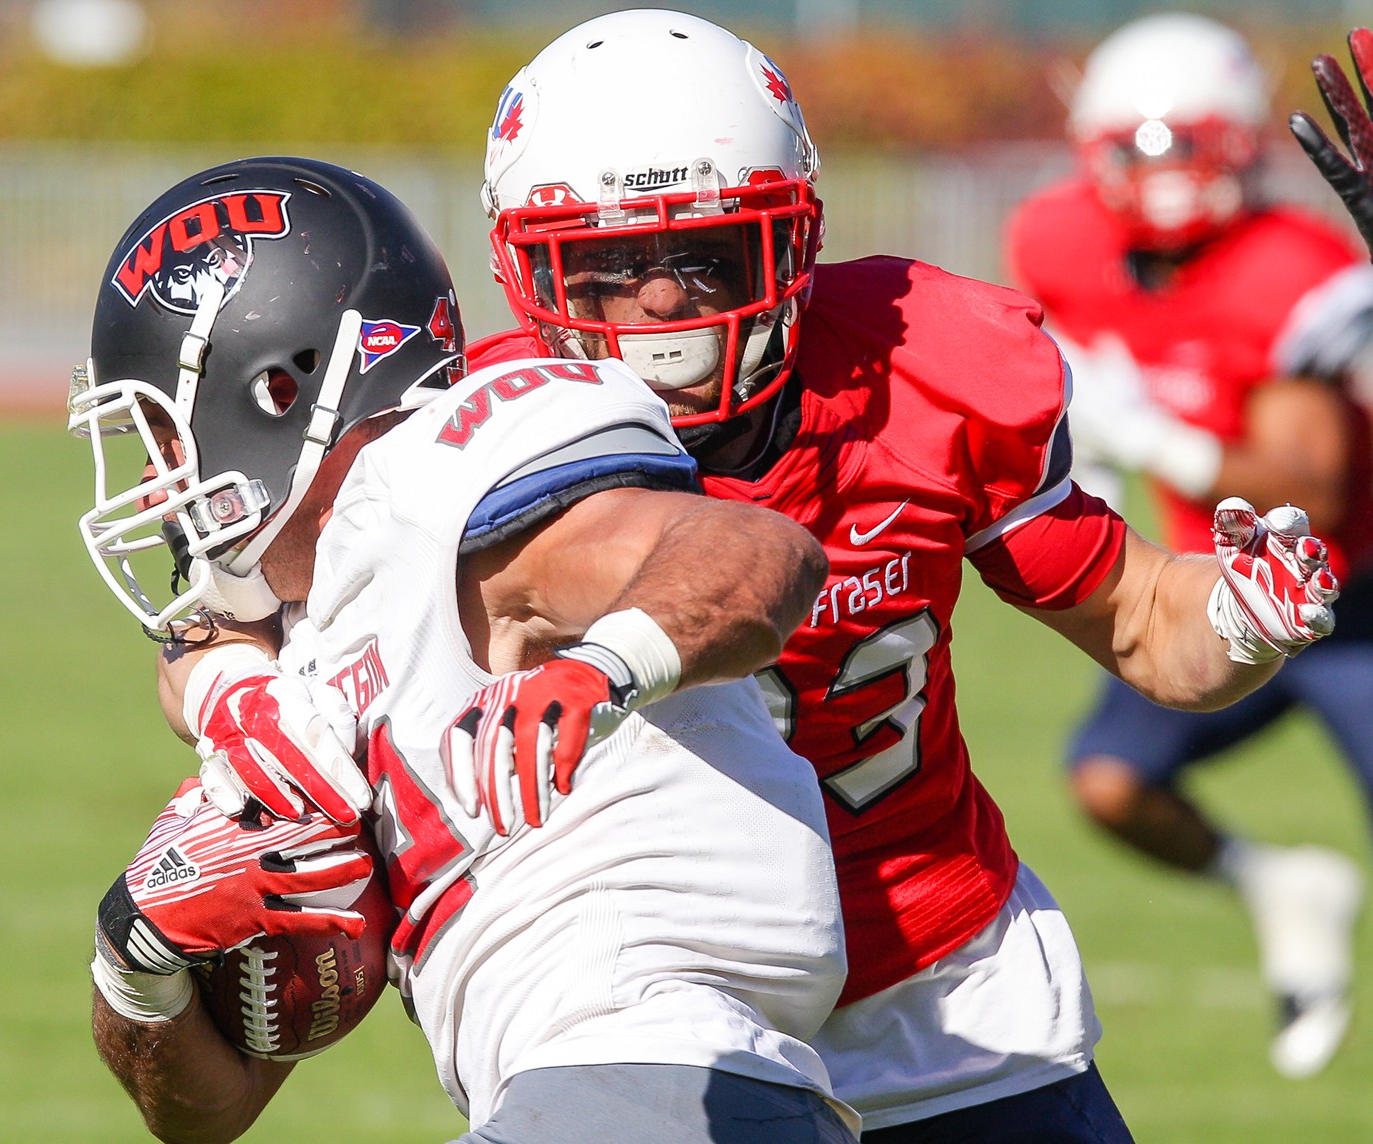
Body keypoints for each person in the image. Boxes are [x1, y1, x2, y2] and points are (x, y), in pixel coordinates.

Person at [460, 9, 1342, 1139]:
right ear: (527, 269)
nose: (663, 303)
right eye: (609, 262)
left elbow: (1139, 621)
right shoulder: (471, 442)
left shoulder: (919, 372)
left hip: (945, 991)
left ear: (794, 237)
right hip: (646, 1005)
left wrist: (1237, 615)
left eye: (701, 252)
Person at [68, 155, 860, 1143]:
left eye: (162, 431)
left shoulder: (440, 486)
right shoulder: (315, 646)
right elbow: (205, 1115)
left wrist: (597, 669)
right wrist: (134, 961)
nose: (153, 482)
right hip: (602, 1095)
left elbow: (752, 550)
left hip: (654, 1063)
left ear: (276, 389)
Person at [1003, 11, 1373, 1080]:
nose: (1163, 172)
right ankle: (1276, 885)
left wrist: (1164, 436)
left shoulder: (1291, 265)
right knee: (1108, 779)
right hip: (1224, 590)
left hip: (1349, 601)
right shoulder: (1059, 239)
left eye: (1186, 143)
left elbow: (1314, 482)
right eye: (1137, 146)